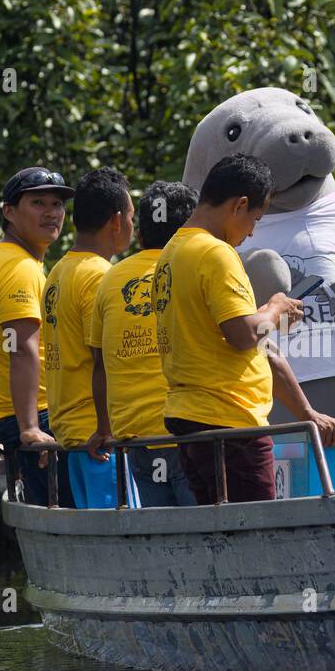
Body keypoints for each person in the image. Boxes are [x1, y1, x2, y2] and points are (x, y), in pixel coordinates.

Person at [154, 153, 335, 504]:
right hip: (230, 425)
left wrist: (307, 413)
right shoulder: (216, 254)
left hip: (191, 419)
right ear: (240, 205)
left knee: (220, 534)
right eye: (255, 219)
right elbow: (244, 336)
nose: (253, 231)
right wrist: (274, 309)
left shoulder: (171, 252)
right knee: (255, 535)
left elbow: (256, 345)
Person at [88, 181, 198, 507]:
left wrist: (103, 428)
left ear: (140, 234)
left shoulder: (109, 279)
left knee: (162, 542)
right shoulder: (193, 268)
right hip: (188, 433)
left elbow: (100, 361)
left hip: (135, 439)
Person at [0, 166, 74, 505]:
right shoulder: (20, 269)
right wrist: (29, 426)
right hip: (38, 418)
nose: (51, 213)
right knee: (66, 522)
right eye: (38, 202)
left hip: (14, 416)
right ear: (9, 212)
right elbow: (20, 348)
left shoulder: (0, 259)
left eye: (57, 203)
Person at [41, 167, 134, 508]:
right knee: (124, 544)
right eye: (132, 216)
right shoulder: (100, 277)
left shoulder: (58, 271)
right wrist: (108, 429)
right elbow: (106, 360)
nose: (133, 227)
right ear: (116, 221)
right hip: (99, 438)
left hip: (72, 434)